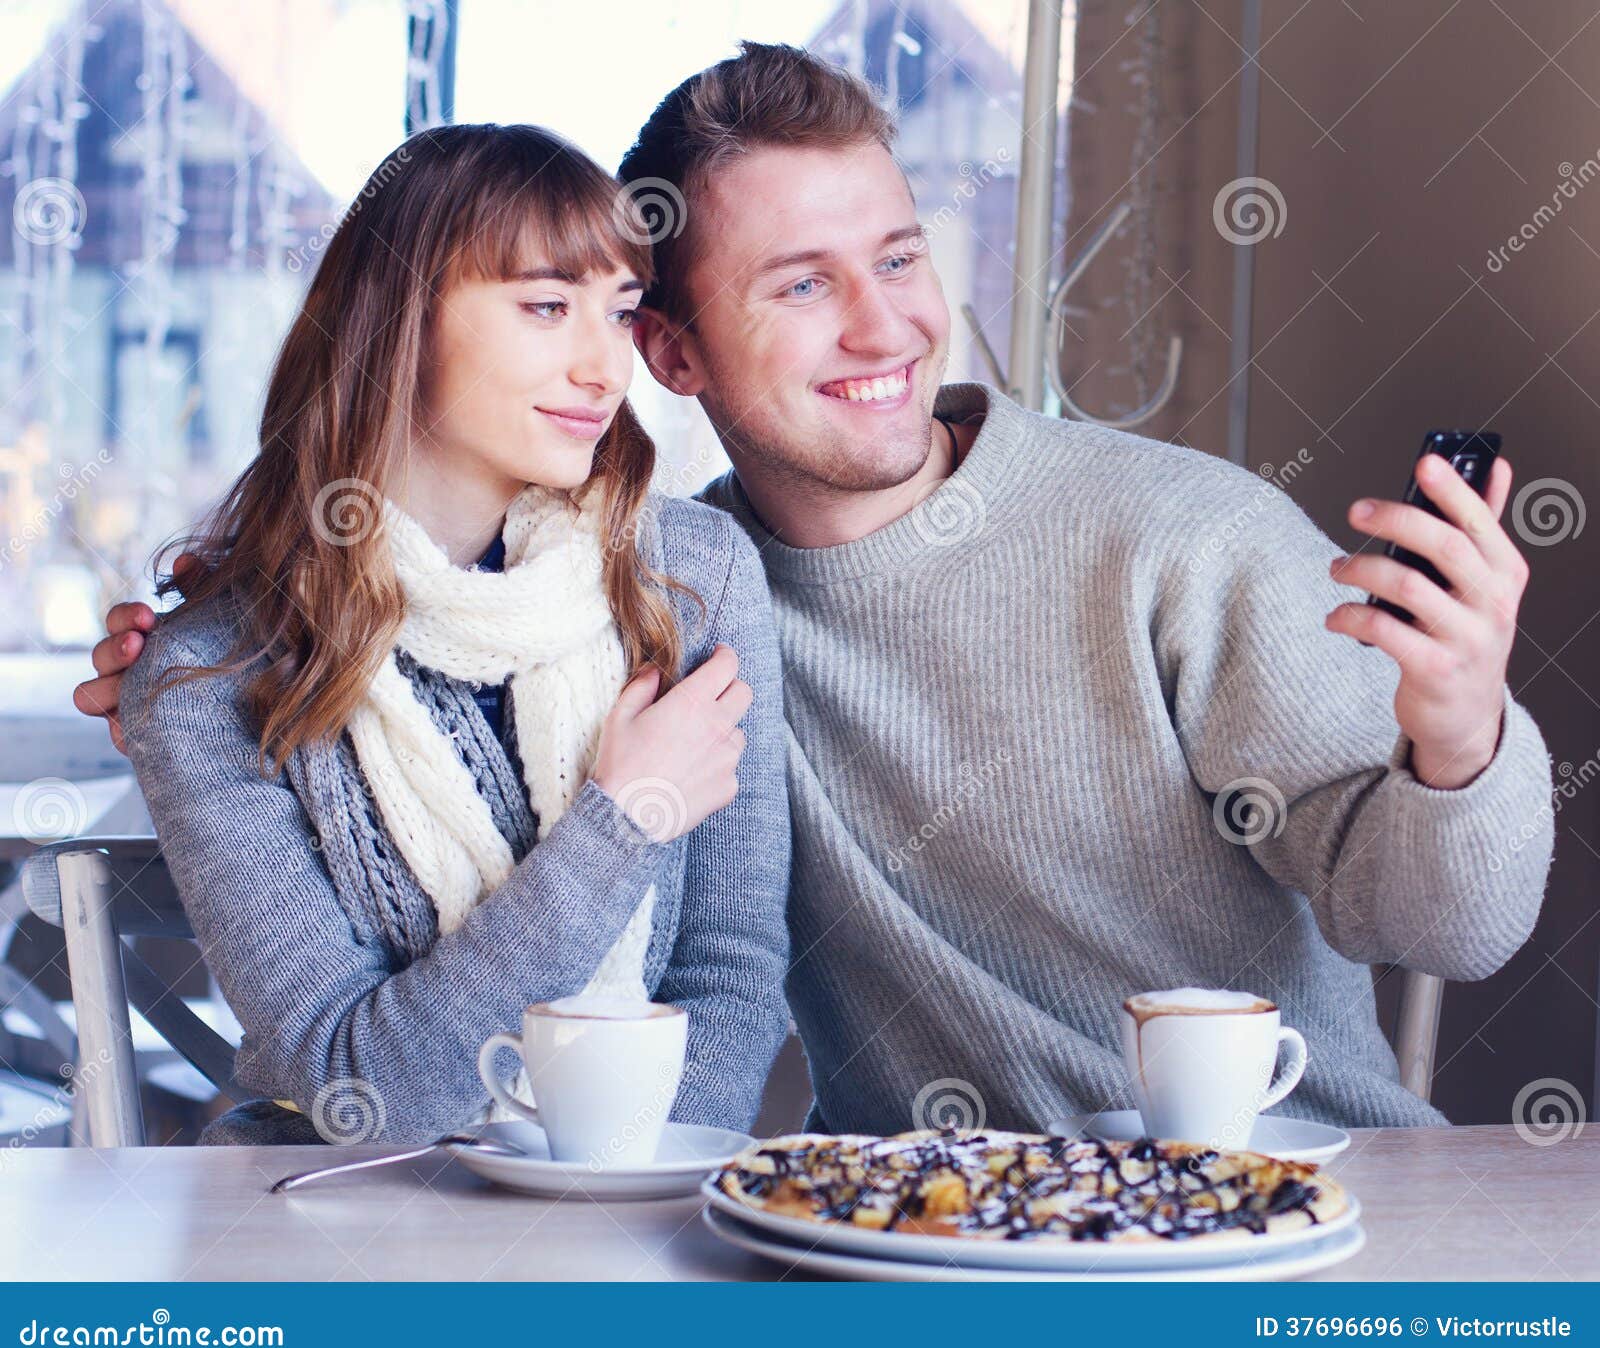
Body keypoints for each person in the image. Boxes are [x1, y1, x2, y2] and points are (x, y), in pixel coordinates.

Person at [83, 44, 1556, 1135]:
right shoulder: (687, 593)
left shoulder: (1181, 538)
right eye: (800, 283)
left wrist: (1460, 740)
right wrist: (231, 632)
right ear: (675, 357)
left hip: (1276, 1224)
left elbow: (1451, 929)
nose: (886, 324)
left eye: (899, 257)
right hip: (920, 1248)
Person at [93, 123, 791, 1146]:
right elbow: (354, 1085)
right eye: (547, 307)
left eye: (621, 310)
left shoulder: (693, 578)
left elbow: (727, 972)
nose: (605, 367)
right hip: (346, 1230)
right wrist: (621, 819)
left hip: (636, 1213)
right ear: (402, 323)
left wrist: (627, 1189)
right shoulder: (206, 673)